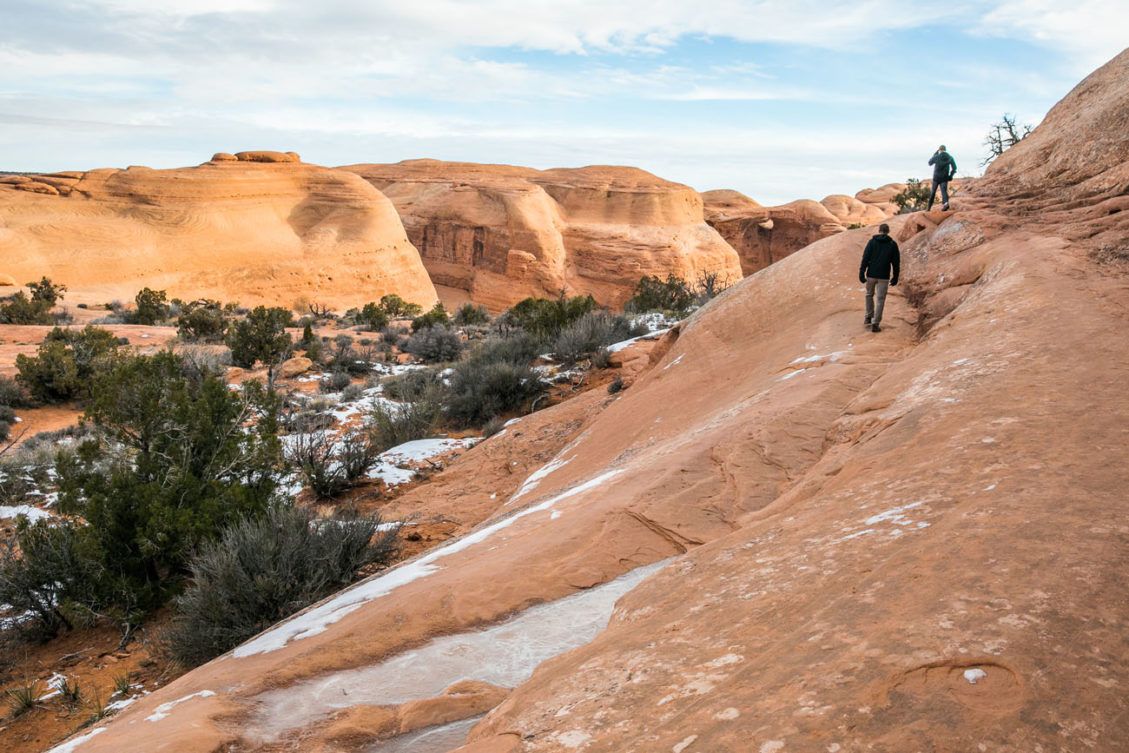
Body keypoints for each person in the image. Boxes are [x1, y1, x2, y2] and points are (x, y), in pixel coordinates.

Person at [859, 223, 900, 332]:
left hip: (871, 275)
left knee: (869, 295)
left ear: (879, 230)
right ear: (888, 231)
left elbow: (865, 258)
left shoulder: (872, 242)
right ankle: (875, 324)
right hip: (884, 276)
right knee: (880, 300)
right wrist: (895, 277)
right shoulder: (892, 244)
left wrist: (862, 272)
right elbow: (896, 263)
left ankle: (868, 317)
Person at [927, 145, 957, 211]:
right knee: (944, 191)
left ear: (939, 150)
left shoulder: (936, 156)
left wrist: (934, 154)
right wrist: (950, 176)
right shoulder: (950, 157)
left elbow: (929, 163)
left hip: (936, 177)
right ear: (945, 150)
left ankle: (928, 208)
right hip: (944, 177)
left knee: (933, 192)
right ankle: (946, 204)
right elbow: (954, 168)